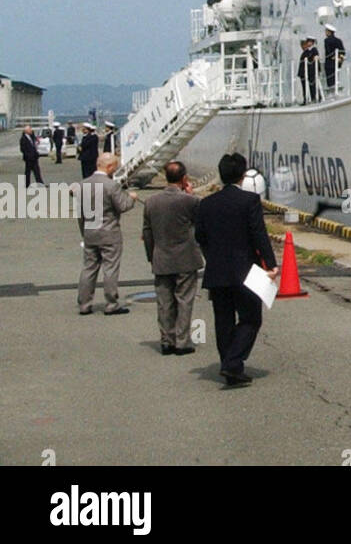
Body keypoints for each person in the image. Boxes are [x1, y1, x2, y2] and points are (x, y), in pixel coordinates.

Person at [194, 153, 278, 387]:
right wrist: (271, 264)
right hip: (246, 270)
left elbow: (200, 236)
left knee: (223, 320)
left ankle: (229, 363)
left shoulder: (206, 203)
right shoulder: (250, 201)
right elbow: (258, 234)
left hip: (217, 269)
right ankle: (232, 363)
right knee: (251, 318)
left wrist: (211, 257)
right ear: (243, 176)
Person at [142, 160, 203, 355]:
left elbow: (147, 232)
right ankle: (182, 340)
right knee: (184, 300)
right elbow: (200, 224)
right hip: (185, 256)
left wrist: (151, 255)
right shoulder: (190, 201)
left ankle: (166, 339)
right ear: (184, 179)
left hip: (161, 255)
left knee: (164, 301)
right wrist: (190, 194)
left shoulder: (151, 202)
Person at [77, 152, 139, 315]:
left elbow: (80, 213)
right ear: (110, 166)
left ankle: (84, 303)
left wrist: (84, 231)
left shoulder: (83, 184)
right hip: (109, 232)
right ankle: (111, 303)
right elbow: (123, 206)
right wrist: (132, 197)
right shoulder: (111, 185)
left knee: (89, 268)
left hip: (90, 230)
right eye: (115, 167)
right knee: (110, 268)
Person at [323, 24, 346, 93]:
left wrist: (334, 57)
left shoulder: (326, 40)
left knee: (330, 80)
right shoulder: (339, 40)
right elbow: (343, 51)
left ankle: (332, 92)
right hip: (338, 63)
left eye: (326, 31)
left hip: (329, 63)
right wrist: (340, 58)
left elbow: (328, 51)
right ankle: (336, 90)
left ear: (329, 32)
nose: (325, 33)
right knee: (336, 78)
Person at [297, 38, 320, 103]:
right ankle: (306, 99)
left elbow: (314, 59)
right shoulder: (305, 53)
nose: (302, 46)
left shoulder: (313, 51)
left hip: (310, 72)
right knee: (305, 87)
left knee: (313, 85)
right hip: (303, 73)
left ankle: (315, 97)